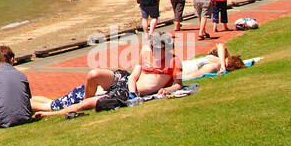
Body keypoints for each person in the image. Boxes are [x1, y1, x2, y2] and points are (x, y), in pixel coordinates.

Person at [34, 33, 183, 117]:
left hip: (127, 91)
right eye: (152, 47)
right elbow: (133, 76)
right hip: (128, 85)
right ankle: (84, 102)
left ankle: (52, 114)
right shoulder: (146, 52)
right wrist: (132, 93)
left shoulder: (174, 61)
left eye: (157, 48)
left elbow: (178, 84)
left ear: (167, 48)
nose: (154, 51)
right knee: (94, 74)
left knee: (66, 104)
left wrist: (167, 90)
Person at [181, 42, 246, 81]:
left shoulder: (212, 67)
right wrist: (222, 64)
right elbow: (220, 45)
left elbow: (192, 76)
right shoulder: (219, 59)